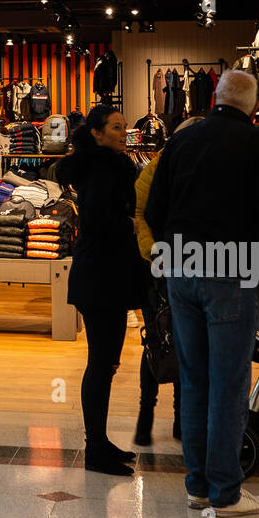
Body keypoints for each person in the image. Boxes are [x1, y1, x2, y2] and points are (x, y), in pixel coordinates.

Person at [145, 69, 259, 515]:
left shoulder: (183, 141)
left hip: (182, 269)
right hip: (233, 271)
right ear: (253, 104)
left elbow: (154, 208)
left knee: (194, 380)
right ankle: (224, 491)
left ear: (215, 99)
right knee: (228, 384)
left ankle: (198, 486)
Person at [56, 106, 146, 476]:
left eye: (125, 126)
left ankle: (100, 441)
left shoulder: (109, 165)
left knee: (106, 362)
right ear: (95, 132)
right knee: (101, 362)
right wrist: (133, 224)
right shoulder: (100, 168)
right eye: (115, 127)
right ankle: (95, 449)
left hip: (104, 274)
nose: (124, 132)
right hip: (99, 276)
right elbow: (97, 219)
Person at [131, 121, 199, 446]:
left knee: (186, 344)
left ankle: (180, 419)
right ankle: (146, 414)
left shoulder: (202, 168)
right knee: (157, 340)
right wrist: (153, 251)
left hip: (191, 266)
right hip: (157, 267)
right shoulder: (157, 166)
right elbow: (138, 212)